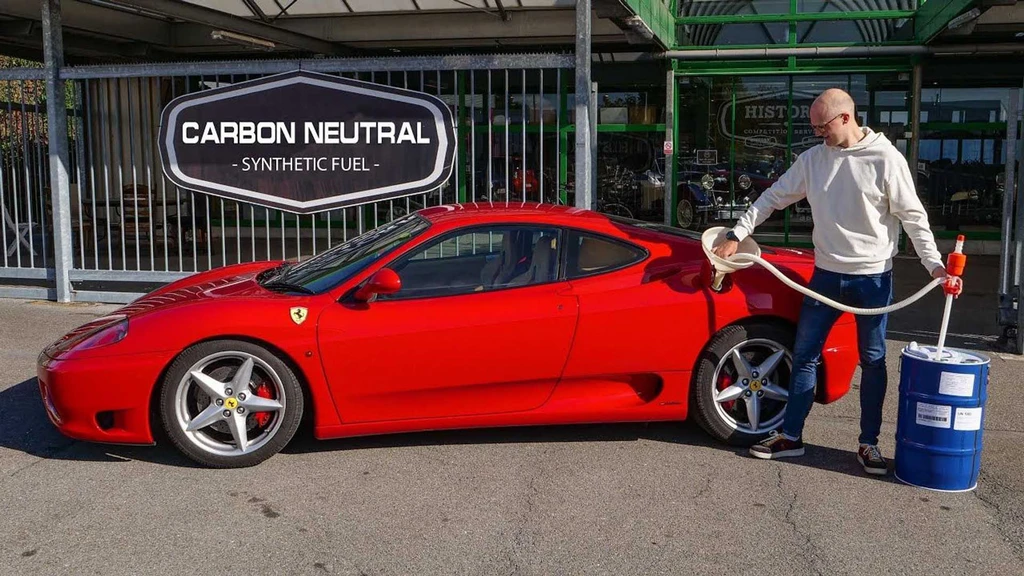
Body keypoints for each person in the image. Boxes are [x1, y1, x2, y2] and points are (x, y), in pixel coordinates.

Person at [712, 88, 952, 476]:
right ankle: (791, 437)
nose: (817, 133)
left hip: (873, 279)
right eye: (813, 127)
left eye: (821, 126)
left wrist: (935, 267)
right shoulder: (813, 161)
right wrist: (736, 233)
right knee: (805, 355)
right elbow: (771, 198)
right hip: (824, 277)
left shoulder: (885, 159)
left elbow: (913, 217)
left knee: (872, 360)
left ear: (845, 118)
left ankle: (868, 443)